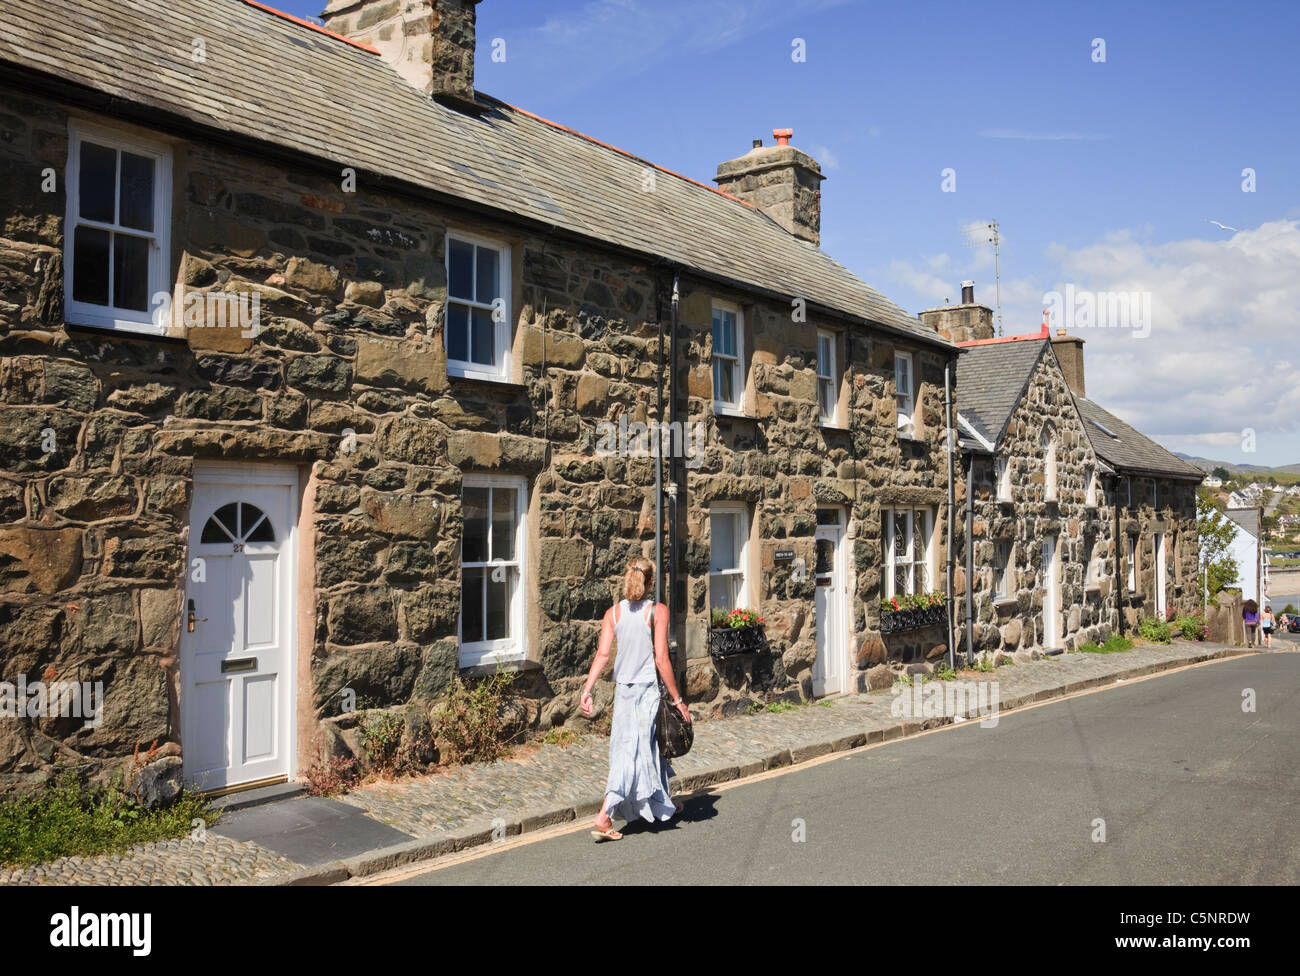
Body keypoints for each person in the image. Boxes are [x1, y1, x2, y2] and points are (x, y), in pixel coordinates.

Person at [579, 556, 690, 842]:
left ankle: (662, 803)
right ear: (651, 581)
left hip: (624, 693)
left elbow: (602, 655)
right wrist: (678, 700)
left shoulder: (613, 613)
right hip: (647, 691)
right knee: (632, 754)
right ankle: (604, 816)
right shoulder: (658, 611)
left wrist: (587, 689)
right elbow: (662, 659)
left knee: (644, 749)